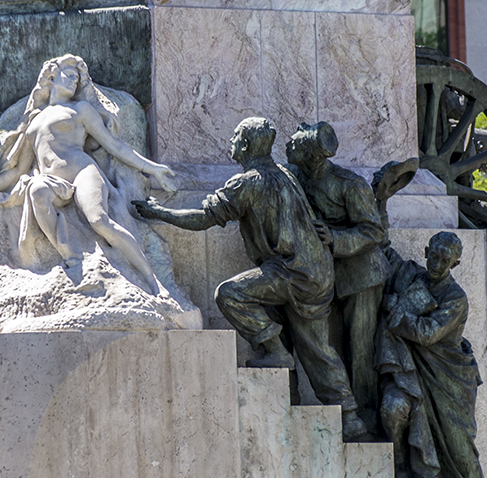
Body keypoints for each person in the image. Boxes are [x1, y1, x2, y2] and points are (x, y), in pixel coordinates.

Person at [133, 118, 369, 441]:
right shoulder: (286, 173)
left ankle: (276, 351)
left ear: (244, 145)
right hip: (316, 272)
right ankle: (350, 419)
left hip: (291, 272)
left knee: (229, 295)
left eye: (234, 136)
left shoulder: (246, 184)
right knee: (317, 349)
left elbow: (204, 218)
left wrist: (159, 212)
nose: (230, 142)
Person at [0, 55, 174, 293]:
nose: (74, 82)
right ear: (52, 77)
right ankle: (72, 258)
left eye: (77, 79)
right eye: (70, 76)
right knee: (36, 190)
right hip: (52, 182)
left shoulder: (81, 110)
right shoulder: (33, 122)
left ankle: (152, 279)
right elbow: (17, 171)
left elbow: (114, 146)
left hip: (82, 173)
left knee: (99, 221)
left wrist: (153, 169)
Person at [376, 231, 487, 478]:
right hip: (413, 373)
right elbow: (383, 248)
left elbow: (428, 333)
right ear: (427, 251)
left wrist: (396, 312)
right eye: (435, 255)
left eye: (445, 260)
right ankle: (405, 465)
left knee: (460, 448)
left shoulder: (456, 298)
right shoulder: (411, 276)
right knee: (394, 410)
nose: (437, 264)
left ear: (455, 264)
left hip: (450, 380)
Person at [286, 122, 393, 426]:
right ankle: (346, 416)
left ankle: (369, 422)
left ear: (310, 155)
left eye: (295, 145)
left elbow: (373, 231)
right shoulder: (294, 176)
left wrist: (335, 237)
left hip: (361, 277)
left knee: (360, 352)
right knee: (331, 346)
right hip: (322, 277)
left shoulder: (348, 183)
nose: (288, 147)